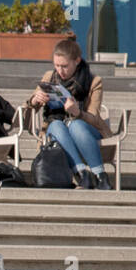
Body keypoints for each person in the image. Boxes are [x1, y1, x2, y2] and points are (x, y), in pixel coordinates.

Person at [27, 36, 111, 190]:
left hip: (85, 131)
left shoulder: (94, 81)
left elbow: (94, 118)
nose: (60, 70)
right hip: (56, 128)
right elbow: (27, 111)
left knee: (75, 125)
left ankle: (101, 177)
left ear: (77, 61)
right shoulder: (49, 77)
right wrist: (34, 100)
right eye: (57, 65)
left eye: (64, 66)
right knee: (57, 125)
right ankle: (82, 175)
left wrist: (78, 112)